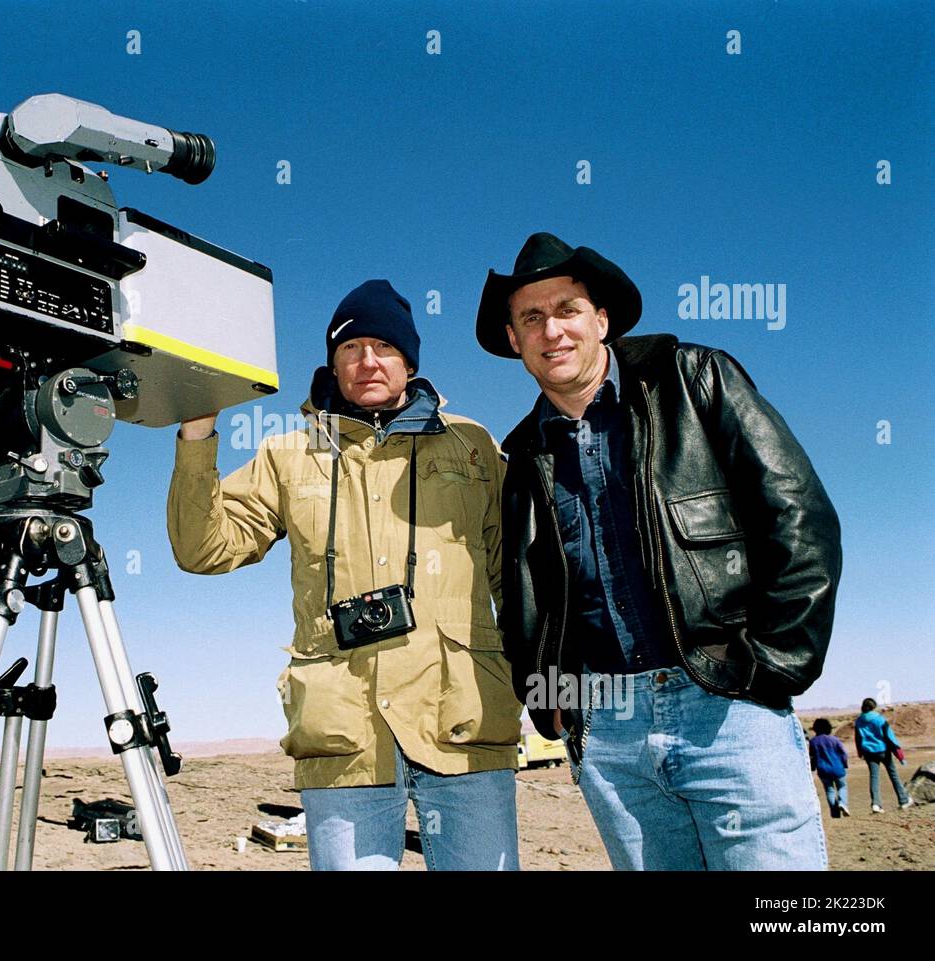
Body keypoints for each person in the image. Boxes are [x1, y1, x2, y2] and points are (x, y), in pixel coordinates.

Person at [477, 232, 843, 870]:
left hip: (728, 707)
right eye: (531, 318)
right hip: (608, 729)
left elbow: (799, 515)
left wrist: (772, 666)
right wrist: (553, 704)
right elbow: (524, 600)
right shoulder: (522, 458)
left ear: (602, 320)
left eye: (567, 309)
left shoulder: (695, 379)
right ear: (514, 340)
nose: (551, 331)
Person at [168, 279, 522, 870]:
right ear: (332, 362)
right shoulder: (288, 455)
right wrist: (197, 433)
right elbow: (203, 548)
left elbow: (512, 573)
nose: (367, 361)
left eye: (384, 347)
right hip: (345, 731)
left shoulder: (472, 445)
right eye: (350, 349)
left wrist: (547, 674)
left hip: (464, 720)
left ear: (409, 360)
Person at [853, 698, 914, 813]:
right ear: (873, 707)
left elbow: (858, 739)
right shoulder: (880, 719)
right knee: (893, 775)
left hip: (868, 752)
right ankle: (904, 800)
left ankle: (876, 804)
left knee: (874, 777)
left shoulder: (859, 721)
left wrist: (860, 753)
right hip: (883, 751)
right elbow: (890, 738)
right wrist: (900, 756)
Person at [808, 718, 850, 818]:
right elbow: (843, 753)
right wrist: (845, 764)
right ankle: (843, 804)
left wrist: (813, 767)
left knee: (829, 790)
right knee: (842, 787)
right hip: (838, 768)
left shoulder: (813, 742)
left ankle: (835, 813)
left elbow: (812, 756)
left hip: (823, 770)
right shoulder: (834, 740)